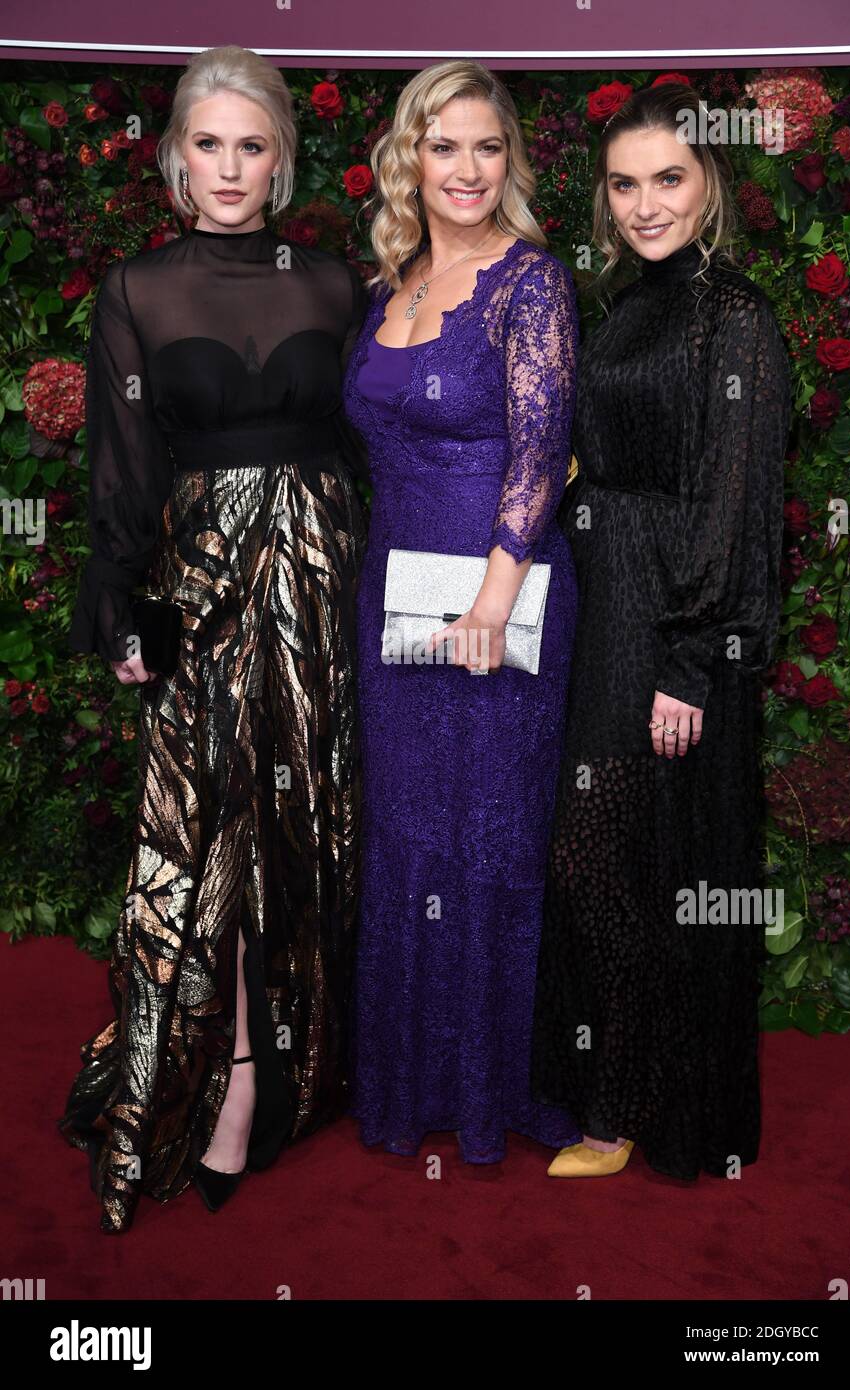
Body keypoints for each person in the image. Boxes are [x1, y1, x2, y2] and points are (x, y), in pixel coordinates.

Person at [58, 45, 368, 1233]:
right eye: (208, 144)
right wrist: (125, 597)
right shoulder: (135, 291)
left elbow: (372, 443)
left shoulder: (334, 284)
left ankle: (288, 1059)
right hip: (197, 582)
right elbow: (123, 466)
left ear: (279, 158)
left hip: (320, 578)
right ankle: (228, 1065)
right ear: (175, 158)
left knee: (297, 824)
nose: (229, 168)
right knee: (205, 826)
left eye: (252, 145)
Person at [531, 83, 793, 1179]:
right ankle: (609, 1082)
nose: (644, 204)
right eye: (624, 182)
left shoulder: (732, 317)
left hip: (671, 619)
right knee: (607, 860)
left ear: (710, 184)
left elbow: (735, 505)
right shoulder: (621, 299)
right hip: (602, 603)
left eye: (668, 179)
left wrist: (692, 659)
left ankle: (633, 1106)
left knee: (614, 862)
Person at [342, 60, 582, 1163]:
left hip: (499, 594)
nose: (468, 169)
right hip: (394, 596)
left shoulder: (529, 281)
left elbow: (541, 444)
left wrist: (493, 596)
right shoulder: (387, 282)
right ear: (410, 159)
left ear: (509, 161)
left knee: (489, 833)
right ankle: (407, 1083)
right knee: (406, 831)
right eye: (444, 146)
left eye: (488, 147)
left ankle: (484, 1092)